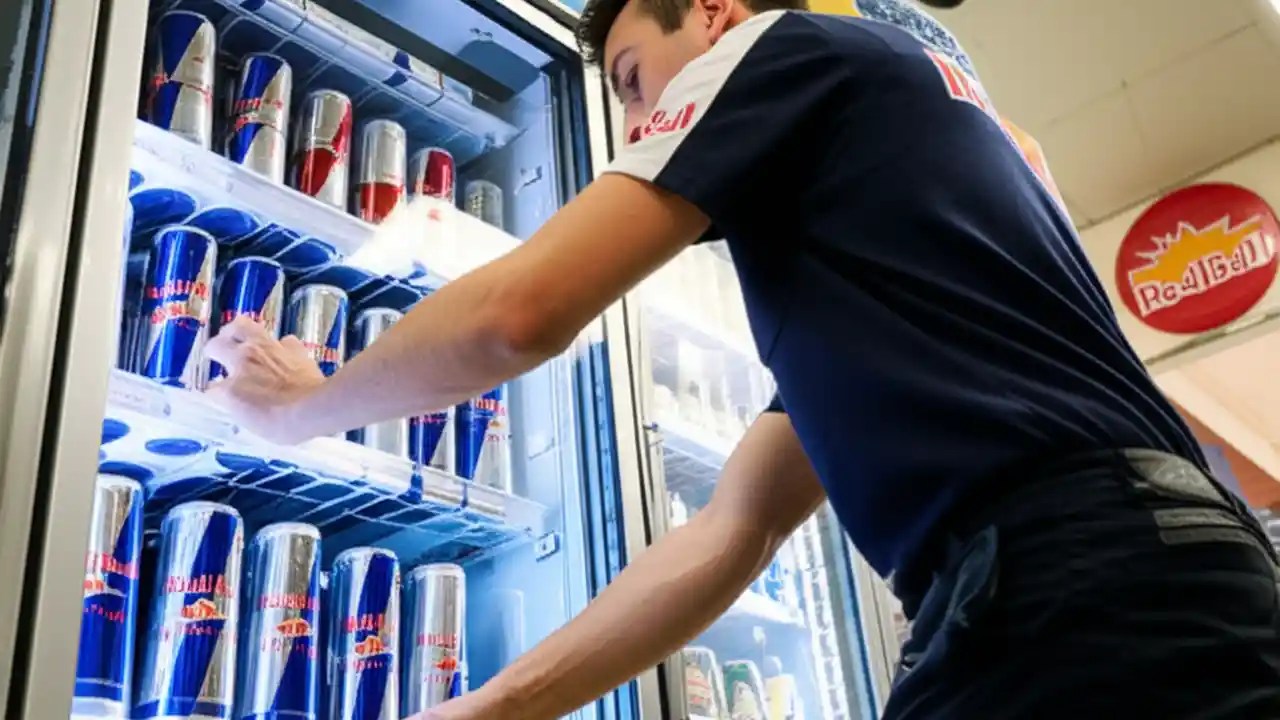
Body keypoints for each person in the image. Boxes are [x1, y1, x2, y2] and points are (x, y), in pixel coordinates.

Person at [205, 0, 1280, 717]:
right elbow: (735, 528)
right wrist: (487, 708)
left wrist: (299, 406)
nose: (631, 128)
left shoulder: (788, 50)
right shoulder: (887, 261)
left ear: (717, 15)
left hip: (1066, 588)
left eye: (631, 79)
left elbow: (518, 314)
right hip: (1154, 575)